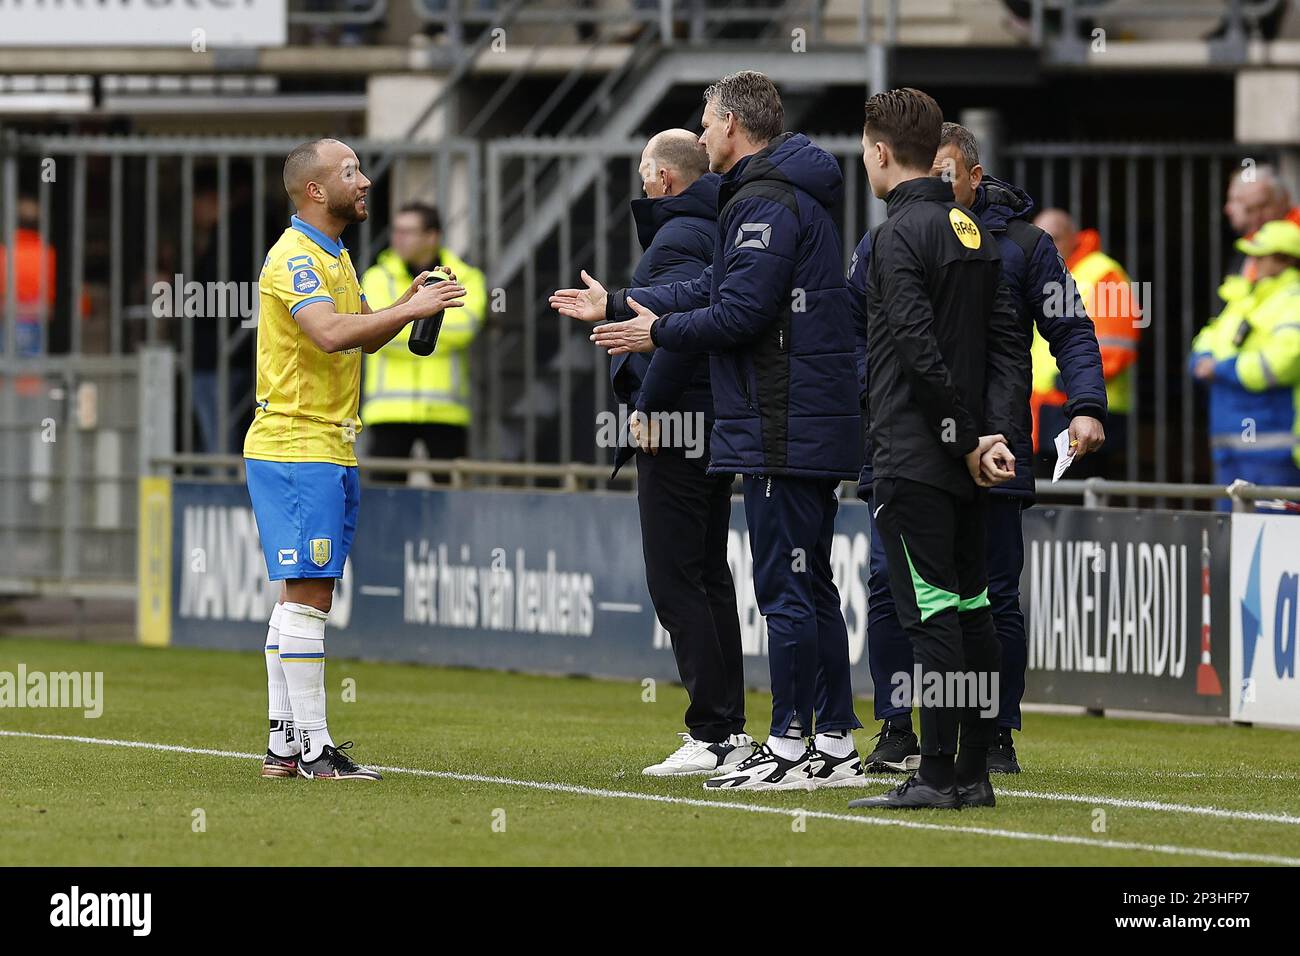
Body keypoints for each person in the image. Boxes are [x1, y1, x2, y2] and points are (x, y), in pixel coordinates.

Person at [556, 71, 867, 792]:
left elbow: (739, 315)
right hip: (787, 415)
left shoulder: (764, 197)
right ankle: (833, 743)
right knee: (806, 583)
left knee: (785, 588)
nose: (700, 135)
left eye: (706, 120)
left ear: (732, 123)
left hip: (781, 417)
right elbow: (718, 290)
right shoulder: (765, 192)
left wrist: (654, 331)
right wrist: (625, 301)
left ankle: (791, 745)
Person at [851, 123, 1107, 776]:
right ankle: (898, 726)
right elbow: (854, 333)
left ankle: (989, 735)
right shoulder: (886, 240)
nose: (936, 186)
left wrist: (1084, 405)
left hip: (991, 447)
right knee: (890, 588)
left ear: (974, 175)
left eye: (947, 174)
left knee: (990, 594)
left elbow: (1071, 327)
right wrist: (875, 399)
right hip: (905, 447)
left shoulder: (1022, 246)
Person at [244, 138, 465, 781]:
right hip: (296, 443)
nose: (365, 181)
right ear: (316, 190)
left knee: (302, 597)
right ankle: (314, 747)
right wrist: (409, 309)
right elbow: (331, 334)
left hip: (328, 444)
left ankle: (285, 745)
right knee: (309, 597)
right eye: (351, 172)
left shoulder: (336, 255)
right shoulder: (295, 259)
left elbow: (361, 337)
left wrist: (407, 306)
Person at [846, 88, 1023, 812]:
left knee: (934, 616)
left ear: (882, 153)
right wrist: (990, 436)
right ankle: (974, 772)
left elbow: (918, 351)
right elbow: (1009, 345)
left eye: (864, 148)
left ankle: (939, 772)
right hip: (966, 459)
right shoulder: (972, 228)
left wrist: (959, 435)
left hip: (917, 459)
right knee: (973, 608)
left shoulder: (895, 236)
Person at [595, 130, 752, 776]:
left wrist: (648, 410)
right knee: (707, 574)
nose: (641, 183)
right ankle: (728, 729)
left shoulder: (682, 233)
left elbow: (675, 336)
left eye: (642, 171)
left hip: (679, 425)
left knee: (676, 578)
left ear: (663, 177)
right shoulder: (715, 221)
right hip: (705, 422)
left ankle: (713, 731)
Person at [360, 201, 486, 481]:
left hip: (446, 412)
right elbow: (372, 330)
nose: (398, 238)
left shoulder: (467, 276)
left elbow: (464, 328)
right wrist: (423, 327)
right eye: (396, 230)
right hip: (387, 411)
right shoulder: (377, 276)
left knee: (451, 503)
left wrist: (397, 320)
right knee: (387, 500)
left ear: (432, 236)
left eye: (408, 231)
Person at [1190, 219, 1300, 503]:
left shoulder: (1293, 300)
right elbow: (1205, 340)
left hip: (1273, 449)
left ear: (1284, 260)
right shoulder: (1244, 298)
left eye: (1261, 256)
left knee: (1274, 536)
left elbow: (1281, 363)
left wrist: (1220, 368)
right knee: (1230, 535)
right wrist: (1202, 360)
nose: (1253, 261)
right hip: (1229, 448)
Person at [1031, 208, 1139, 479]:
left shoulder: (1102, 273)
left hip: (1085, 407)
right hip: (1045, 409)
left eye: (1054, 237)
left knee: (1075, 503)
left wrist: (1072, 383)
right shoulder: (1044, 273)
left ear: (1074, 237)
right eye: (1040, 238)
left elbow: (1117, 346)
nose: (1047, 245)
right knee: (1049, 503)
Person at [1224, 164, 1300, 284]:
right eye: (1250, 210)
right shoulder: (1252, 240)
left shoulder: (1295, 233)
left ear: (1284, 199)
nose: (1256, 217)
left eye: (1263, 206)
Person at [0, 196, 56, 359]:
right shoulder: (46, 253)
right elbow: (48, 304)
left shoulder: (4, 253)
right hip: (35, 321)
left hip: (7, 320)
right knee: (32, 375)